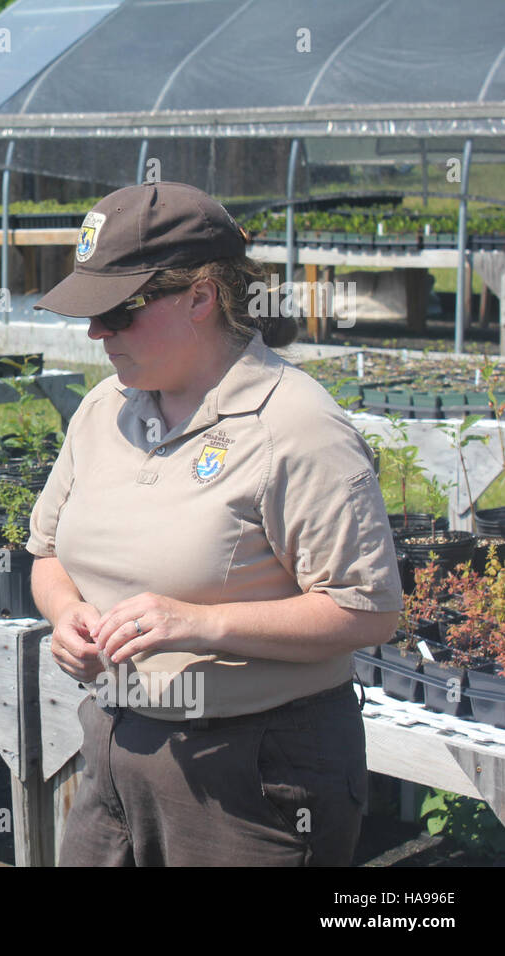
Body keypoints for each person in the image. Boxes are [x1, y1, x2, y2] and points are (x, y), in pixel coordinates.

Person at [26, 181, 402, 866]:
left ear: (200, 296)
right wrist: (65, 614)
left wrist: (203, 623)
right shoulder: (105, 407)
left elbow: (367, 611)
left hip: (252, 774)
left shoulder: (296, 428)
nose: (95, 332)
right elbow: (48, 553)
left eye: (116, 311)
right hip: (114, 744)